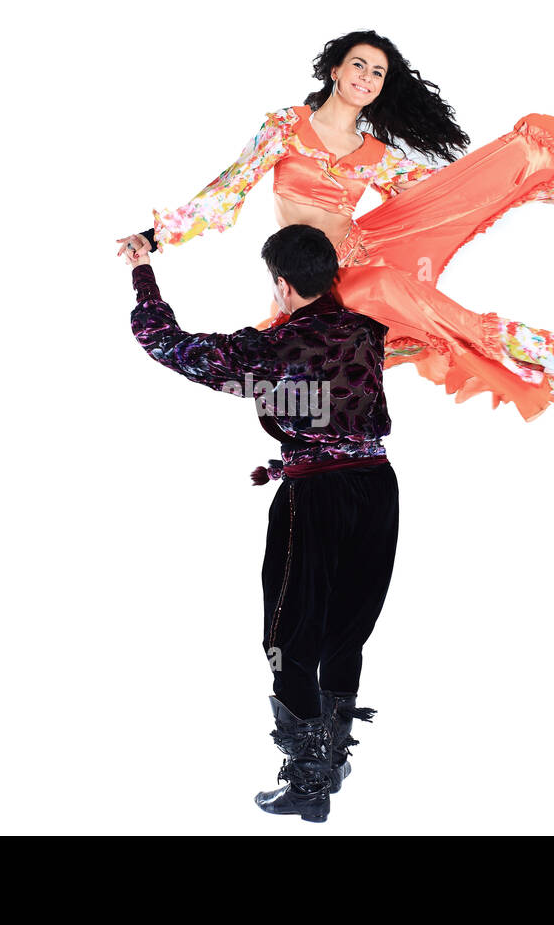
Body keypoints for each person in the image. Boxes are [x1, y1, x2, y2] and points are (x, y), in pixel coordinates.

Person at [116, 29, 554, 422]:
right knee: (299, 382)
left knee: (422, 310)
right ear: (335, 69)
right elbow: (230, 188)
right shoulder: (286, 126)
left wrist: (528, 181)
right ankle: (316, 460)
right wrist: (155, 238)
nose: (367, 77)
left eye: (378, 72)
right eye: (359, 64)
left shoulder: (375, 154)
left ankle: (550, 359)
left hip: (357, 259)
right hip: (303, 278)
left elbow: (446, 192)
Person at [126, 224, 399, 823]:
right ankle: (330, 758)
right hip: (377, 489)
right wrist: (285, 459)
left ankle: (309, 781)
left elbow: (166, 343)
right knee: (344, 630)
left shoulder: (270, 349)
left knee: (288, 638)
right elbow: (333, 409)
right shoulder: (368, 333)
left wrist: (142, 272)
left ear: (281, 284)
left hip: (316, 497)